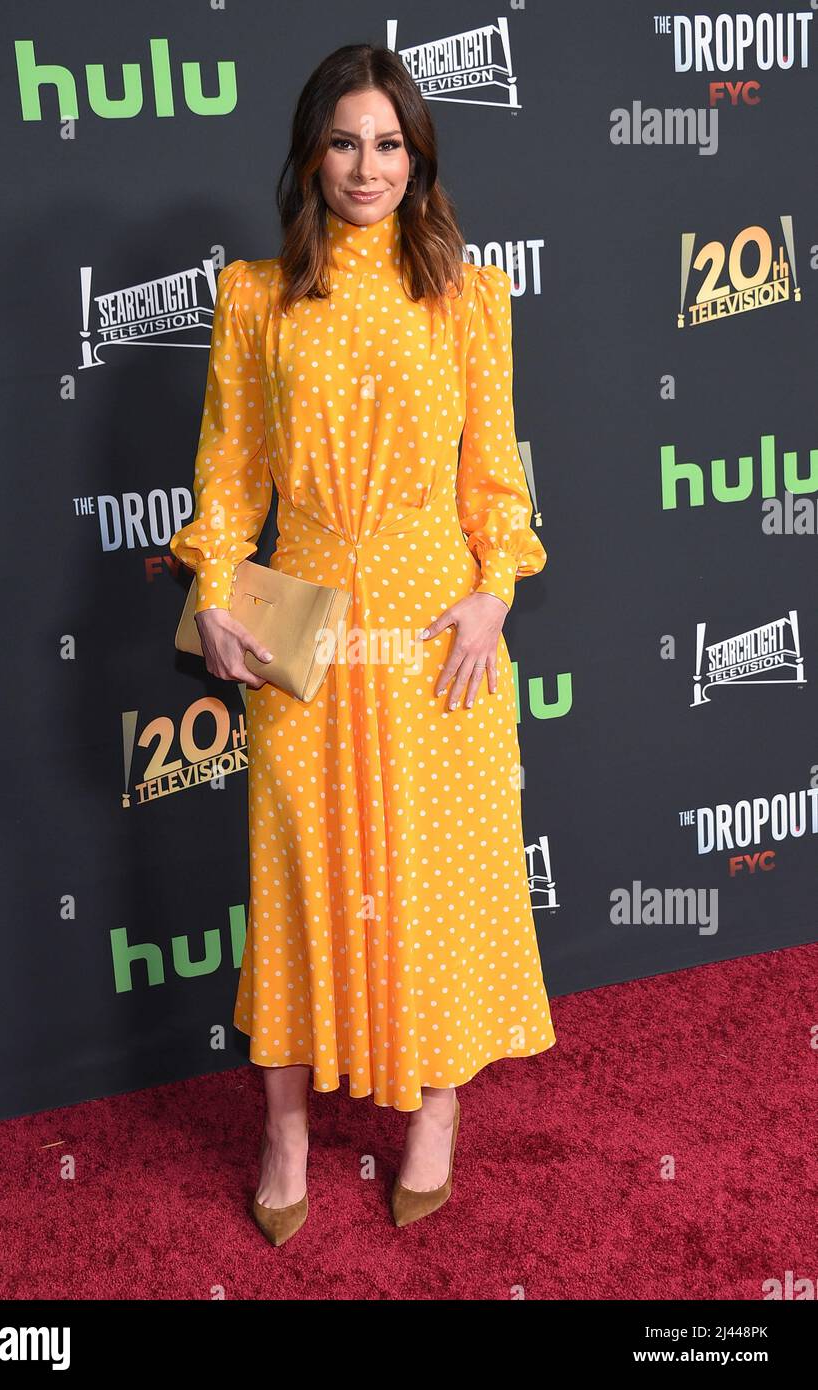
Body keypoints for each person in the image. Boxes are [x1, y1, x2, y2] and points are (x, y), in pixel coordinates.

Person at [170, 43, 556, 1246]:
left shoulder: (467, 297)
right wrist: (216, 586)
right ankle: (283, 1129)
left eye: (389, 143)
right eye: (344, 141)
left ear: (418, 157)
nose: (366, 165)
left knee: (439, 885)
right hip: (311, 632)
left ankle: (433, 1114)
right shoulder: (255, 296)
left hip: (437, 631)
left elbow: (495, 479)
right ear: (308, 154)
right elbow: (229, 475)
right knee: (294, 880)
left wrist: (495, 592)